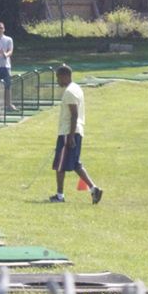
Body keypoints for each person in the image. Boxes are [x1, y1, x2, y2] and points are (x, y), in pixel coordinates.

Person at [49, 64, 103, 204]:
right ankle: (94, 189)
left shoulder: (69, 92)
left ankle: (60, 196)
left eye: (58, 78)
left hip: (69, 132)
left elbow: (74, 114)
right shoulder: (77, 88)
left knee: (60, 165)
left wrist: (70, 136)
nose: (58, 81)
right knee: (75, 164)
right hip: (76, 131)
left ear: (65, 76)